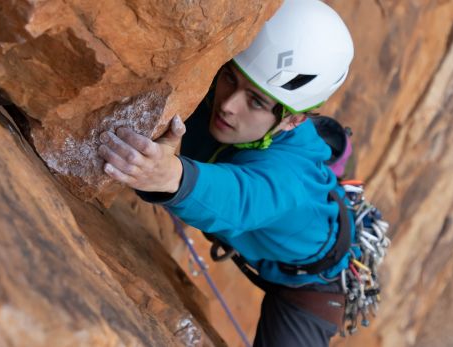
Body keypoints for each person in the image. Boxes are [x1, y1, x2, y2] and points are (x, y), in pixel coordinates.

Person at [98, 0, 357, 345]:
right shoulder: (232, 102)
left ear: (294, 120)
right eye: (230, 77)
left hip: (311, 286)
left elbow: (243, 198)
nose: (228, 105)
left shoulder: (288, 181)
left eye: (256, 101)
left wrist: (170, 177)